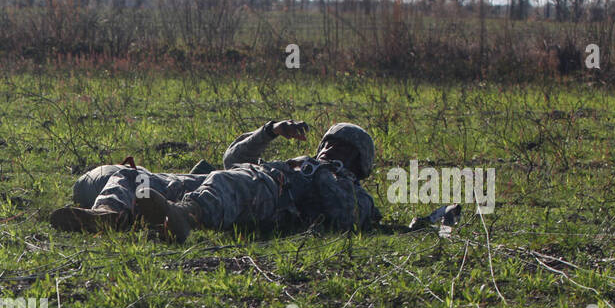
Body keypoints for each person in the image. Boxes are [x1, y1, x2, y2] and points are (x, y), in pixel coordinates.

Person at [51, 121, 381, 243]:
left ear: (358, 162)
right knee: (131, 176)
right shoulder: (297, 167)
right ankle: (107, 215)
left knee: (230, 181)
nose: (329, 150)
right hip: (214, 180)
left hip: (269, 197)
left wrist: (326, 172)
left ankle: (179, 218)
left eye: (342, 149)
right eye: (328, 143)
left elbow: (344, 216)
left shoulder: (352, 192)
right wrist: (270, 131)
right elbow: (232, 158)